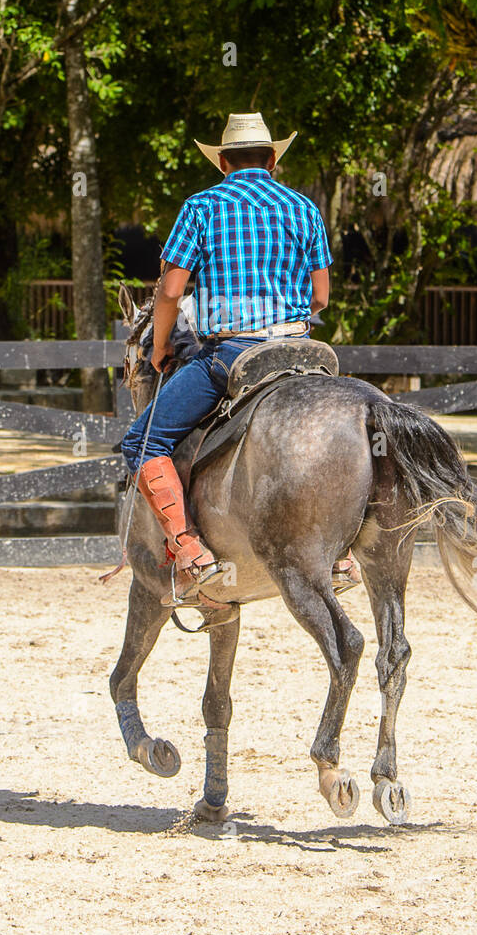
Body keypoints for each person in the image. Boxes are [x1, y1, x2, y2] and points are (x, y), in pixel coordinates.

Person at [120, 111, 333, 590]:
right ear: (273, 159)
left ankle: (189, 549)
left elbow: (171, 292)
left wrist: (158, 348)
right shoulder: (304, 208)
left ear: (222, 161)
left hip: (233, 354)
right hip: (302, 352)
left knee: (142, 441)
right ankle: (339, 554)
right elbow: (321, 298)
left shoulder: (201, 206)